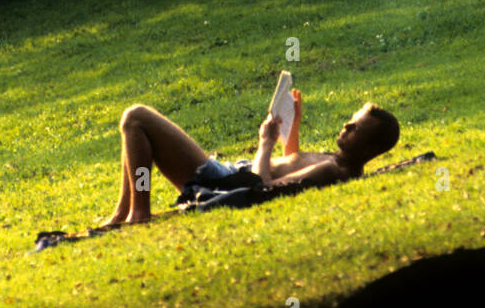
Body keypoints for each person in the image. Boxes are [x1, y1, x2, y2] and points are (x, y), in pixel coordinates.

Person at [93, 90, 400, 228]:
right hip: (228, 173)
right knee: (136, 131)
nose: (345, 126)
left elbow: (261, 185)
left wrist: (264, 143)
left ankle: (139, 214)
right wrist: (292, 125)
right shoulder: (339, 162)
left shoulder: (332, 169)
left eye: (354, 128)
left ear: (368, 146)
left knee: (136, 120)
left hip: (220, 179)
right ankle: (125, 212)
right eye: (350, 120)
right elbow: (290, 164)